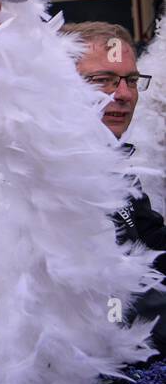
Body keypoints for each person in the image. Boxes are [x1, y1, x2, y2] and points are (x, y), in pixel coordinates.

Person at [61, 20, 166, 356]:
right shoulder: (51, 177)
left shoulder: (111, 161)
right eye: (102, 80)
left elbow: (155, 247)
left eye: (131, 81)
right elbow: (123, 306)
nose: (123, 94)